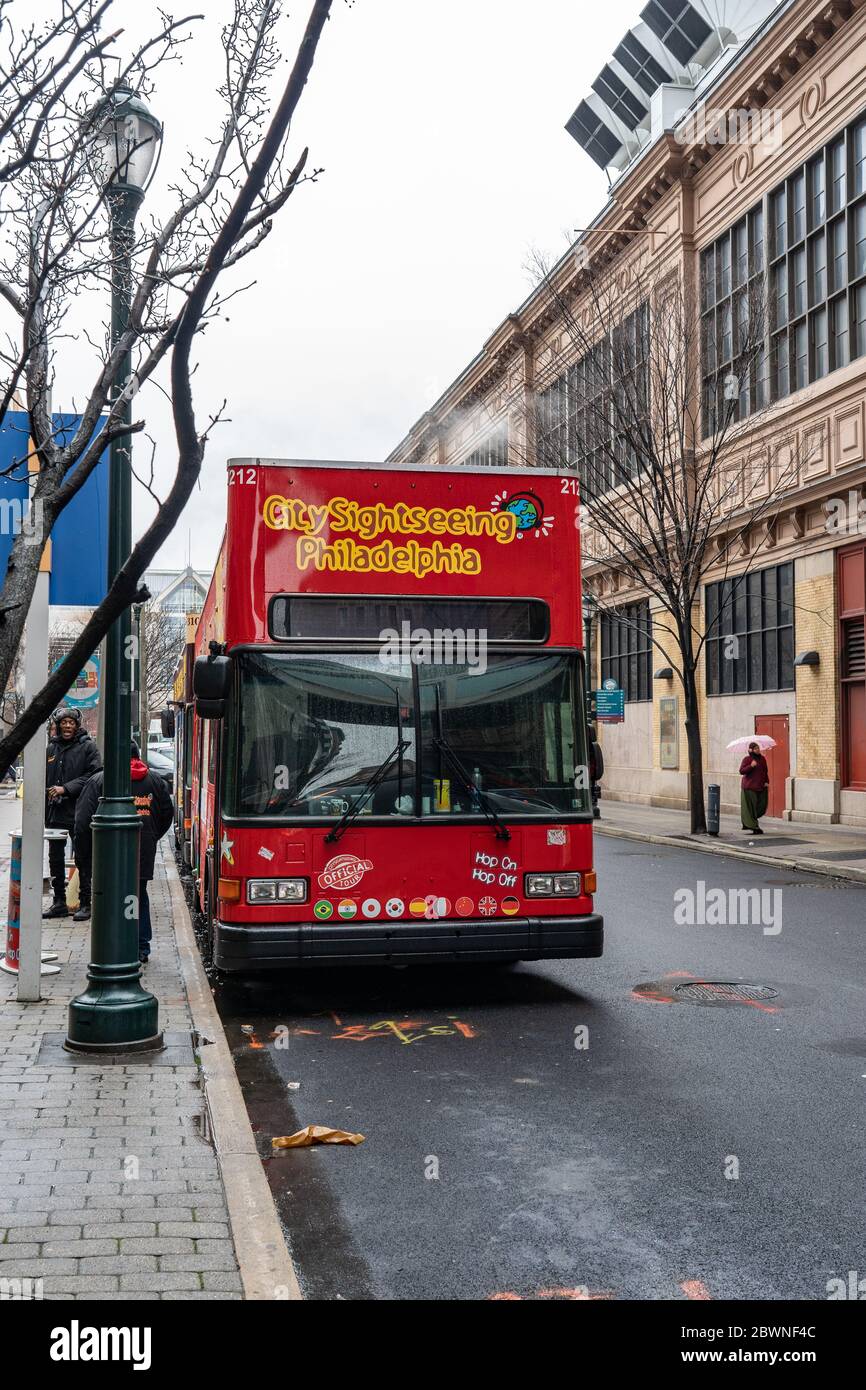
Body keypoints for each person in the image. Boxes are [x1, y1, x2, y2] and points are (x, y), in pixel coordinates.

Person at [75, 743, 173, 961]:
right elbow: (167, 814)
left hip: (107, 853)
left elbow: (82, 822)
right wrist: (151, 836)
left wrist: (85, 856)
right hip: (142, 848)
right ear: (138, 755)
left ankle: (113, 944)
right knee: (138, 896)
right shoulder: (155, 781)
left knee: (109, 897)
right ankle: (140, 947)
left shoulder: (99, 780)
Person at [44, 706, 102, 918]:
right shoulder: (51, 748)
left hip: (80, 810)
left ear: (77, 725)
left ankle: (85, 902)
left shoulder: (88, 747)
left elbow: (94, 775)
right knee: (55, 858)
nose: (67, 726)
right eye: (63, 723)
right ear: (58, 725)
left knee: (83, 857)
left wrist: (66, 788)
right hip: (55, 812)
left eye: (71, 722)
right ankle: (59, 902)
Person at [739, 741, 770, 834]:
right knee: (750, 808)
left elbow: (765, 772)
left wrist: (766, 781)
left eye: (758, 748)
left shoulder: (762, 759)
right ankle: (754, 827)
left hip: (761, 786)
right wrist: (751, 766)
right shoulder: (747, 759)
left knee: (761, 806)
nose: (758, 750)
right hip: (749, 787)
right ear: (751, 750)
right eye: (755, 748)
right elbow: (742, 771)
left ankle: (750, 823)